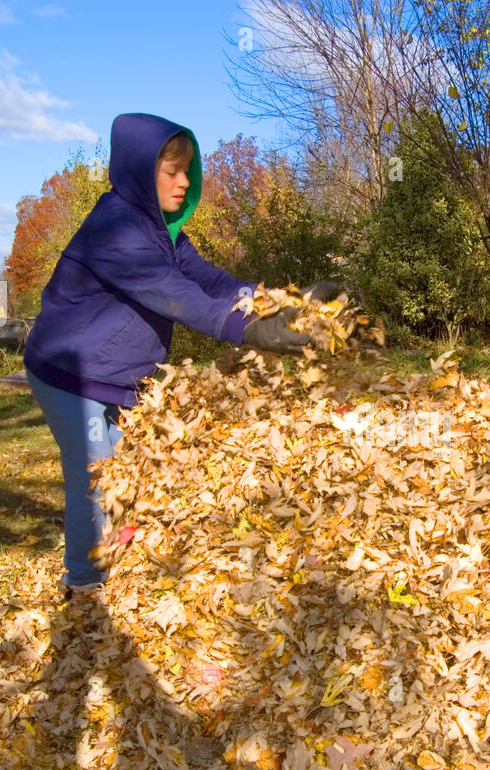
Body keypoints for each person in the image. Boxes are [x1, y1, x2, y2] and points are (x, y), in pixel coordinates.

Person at [23, 112, 339, 592]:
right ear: (139, 172)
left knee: (129, 475)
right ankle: (84, 585)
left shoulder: (164, 233)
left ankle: (120, 561)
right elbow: (178, 296)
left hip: (115, 375)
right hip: (71, 372)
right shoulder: (116, 231)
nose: (184, 182)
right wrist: (252, 331)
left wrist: (284, 303)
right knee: (96, 482)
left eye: (186, 171)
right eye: (171, 172)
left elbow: (211, 282)